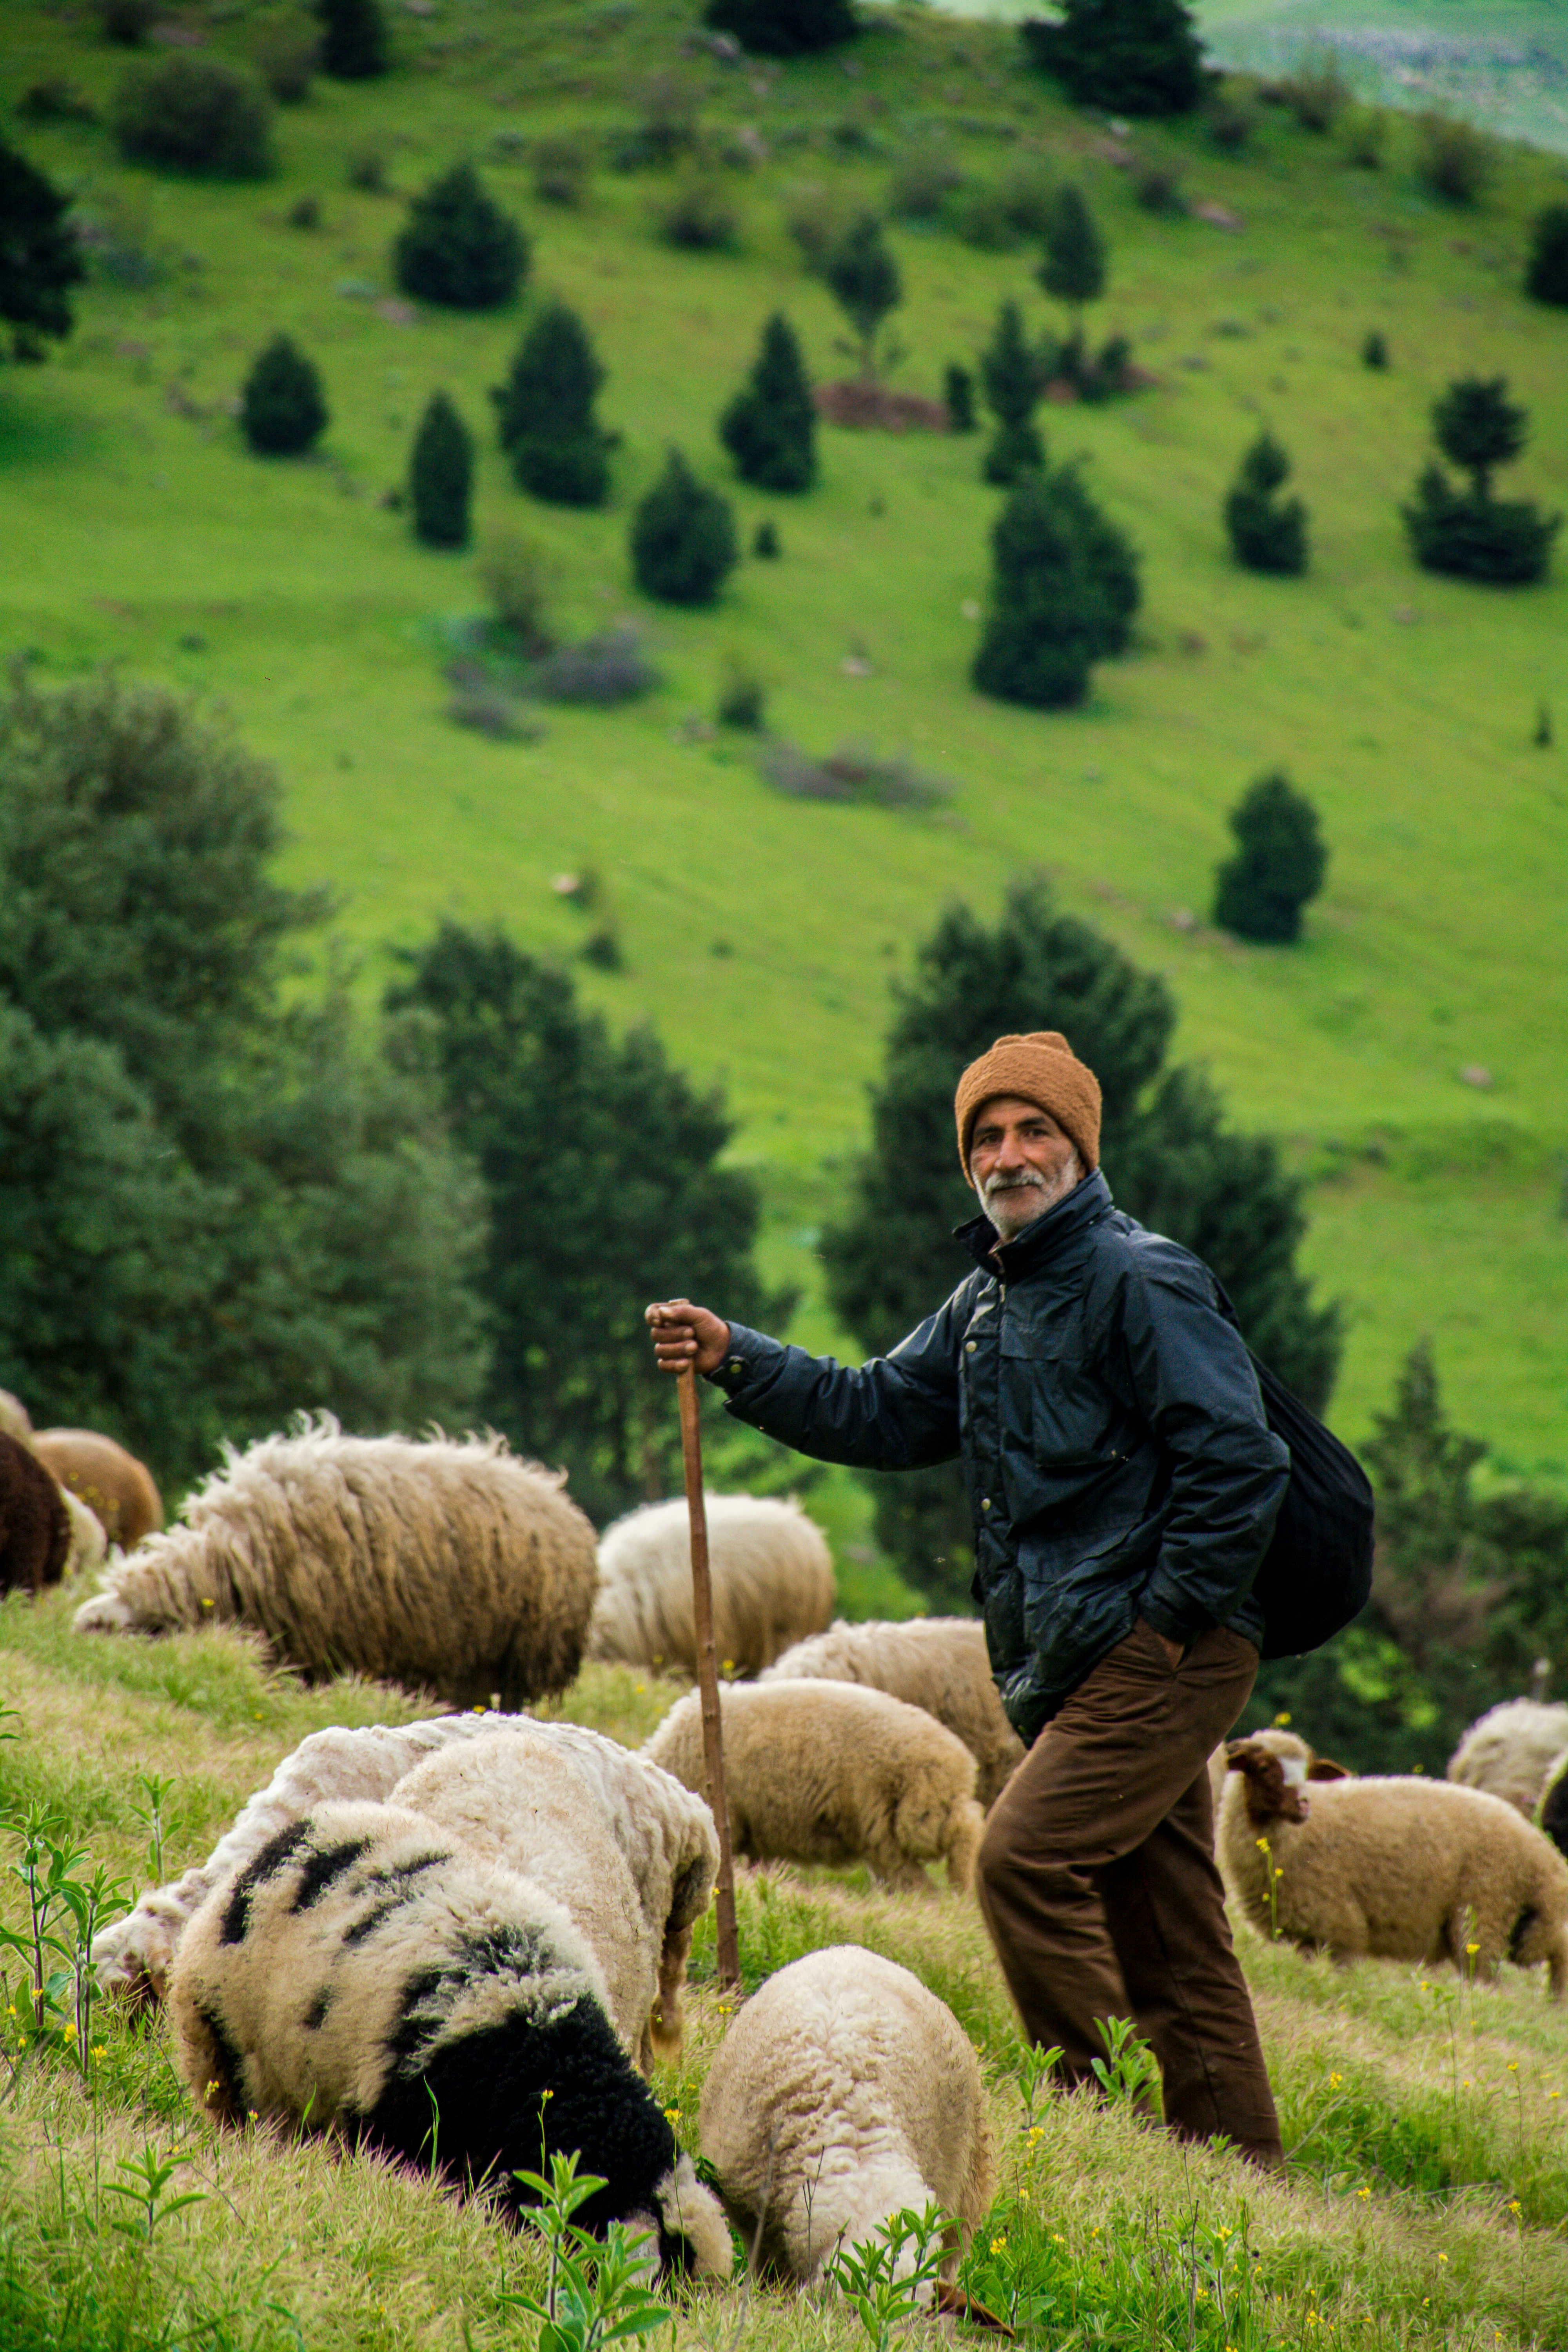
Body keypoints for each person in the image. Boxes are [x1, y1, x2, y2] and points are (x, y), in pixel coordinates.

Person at [646, 1029, 1289, 2168]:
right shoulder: (990, 1302)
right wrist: (735, 1354)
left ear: (1082, 1149)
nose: (1008, 1155)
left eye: (1034, 1129)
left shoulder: (1141, 1278)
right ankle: (1235, 2169)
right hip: (1079, 1654)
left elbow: (1241, 1462)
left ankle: (1112, 2134)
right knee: (1171, 1927)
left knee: (1021, 1862)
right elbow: (881, 1409)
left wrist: (1166, 1624)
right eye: (986, 1137)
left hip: (1161, 1647)